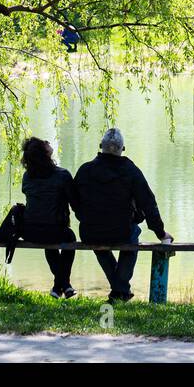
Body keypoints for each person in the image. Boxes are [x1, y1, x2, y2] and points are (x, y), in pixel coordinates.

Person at [72, 127, 173, 303]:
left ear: (100, 146)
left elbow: (73, 200)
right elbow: (148, 203)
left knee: (98, 242)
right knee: (133, 236)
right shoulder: (130, 170)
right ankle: (120, 290)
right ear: (122, 149)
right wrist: (161, 233)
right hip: (121, 231)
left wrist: (84, 217)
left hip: (90, 231)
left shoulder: (85, 170)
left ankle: (120, 291)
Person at [20, 138, 78, 299]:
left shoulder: (27, 177)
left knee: (48, 241)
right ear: (44, 153)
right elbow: (75, 203)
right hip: (55, 230)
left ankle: (58, 287)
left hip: (30, 230)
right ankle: (63, 284)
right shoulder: (62, 175)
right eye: (44, 143)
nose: (48, 141)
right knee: (69, 238)